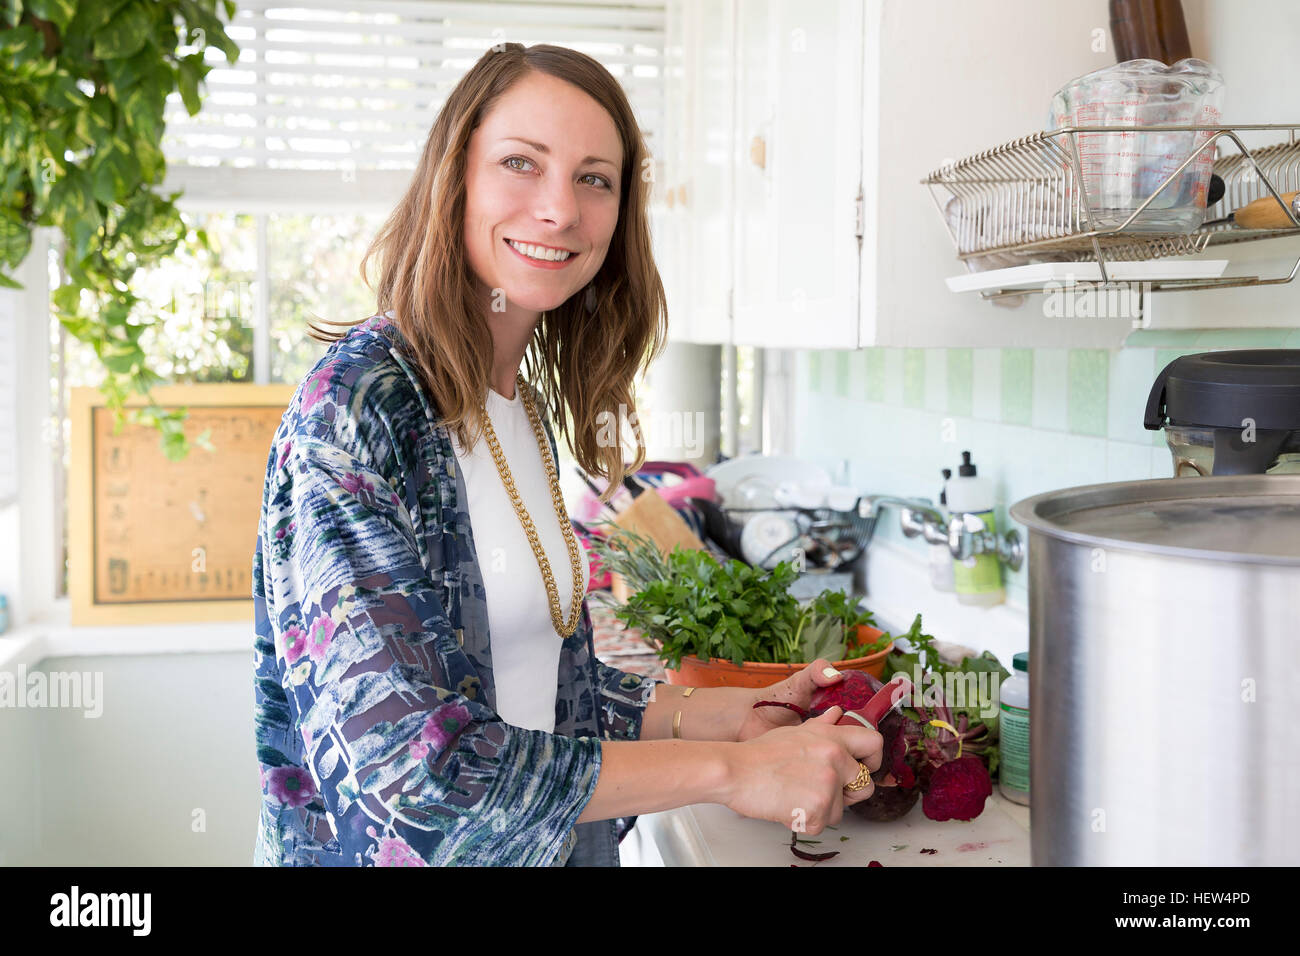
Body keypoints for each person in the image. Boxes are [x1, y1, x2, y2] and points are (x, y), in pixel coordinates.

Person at [251, 42, 882, 867]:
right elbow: (415, 773)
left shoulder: (514, 405)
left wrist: (719, 714)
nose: (560, 210)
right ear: (455, 177)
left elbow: (531, 686)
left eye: (595, 177)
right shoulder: (360, 405)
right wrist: (734, 772)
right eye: (521, 162)